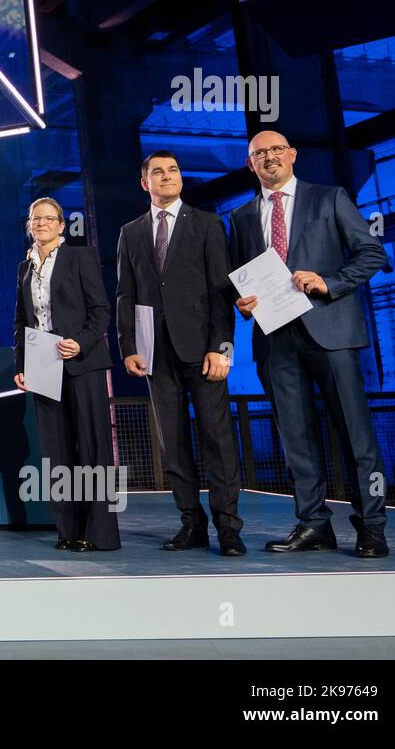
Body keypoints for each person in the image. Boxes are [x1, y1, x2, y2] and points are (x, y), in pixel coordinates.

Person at [228, 131, 390, 558]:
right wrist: (240, 302)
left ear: (293, 155)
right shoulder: (242, 217)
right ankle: (313, 523)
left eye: (276, 150)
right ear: (250, 165)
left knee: (356, 436)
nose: (269, 158)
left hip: (331, 333)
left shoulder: (329, 197)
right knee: (295, 437)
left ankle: (372, 525)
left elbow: (372, 254)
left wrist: (328, 282)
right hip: (276, 339)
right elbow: (237, 276)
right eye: (259, 153)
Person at [115, 151, 245, 556]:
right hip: (156, 353)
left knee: (217, 440)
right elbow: (125, 294)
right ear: (145, 182)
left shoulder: (207, 224)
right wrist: (128, 347)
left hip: (203, 351)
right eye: (158, 172)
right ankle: (191, 523)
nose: (167, 176)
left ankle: (228, 527)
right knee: (172, 444)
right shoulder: (131, 232)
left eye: (173, 170)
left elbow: (223, 291)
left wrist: (221, 347)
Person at [13, 198, 121, 552]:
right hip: (43, 367)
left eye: (49, 218)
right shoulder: (25, 266)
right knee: (56, 452)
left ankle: (100, 533)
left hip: (82, 363)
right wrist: (21, 366)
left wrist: (82, 343)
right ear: (29, 225)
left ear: (62, 225)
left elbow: (101, 309)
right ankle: (68, 530)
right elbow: (21, 322)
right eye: (35, 218)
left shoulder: (80, 257)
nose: (41, 223)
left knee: (92, 448)